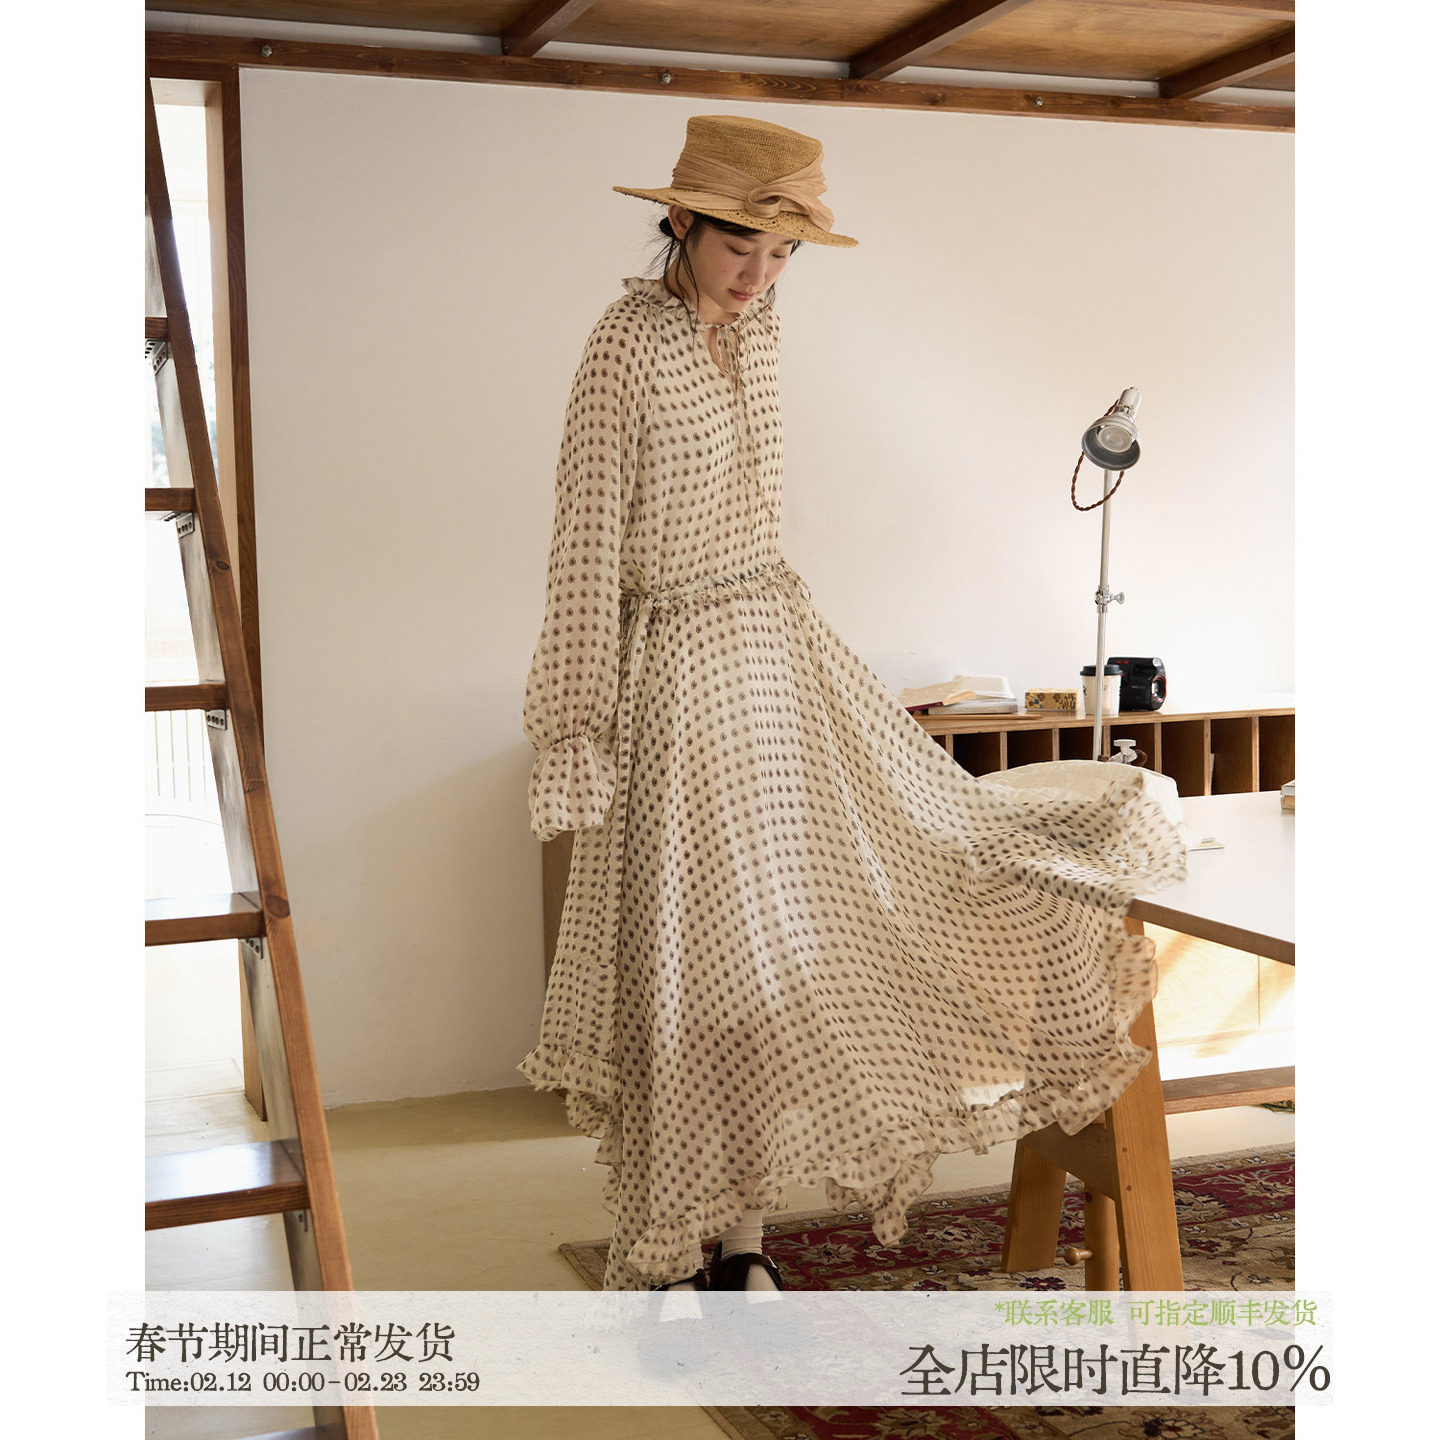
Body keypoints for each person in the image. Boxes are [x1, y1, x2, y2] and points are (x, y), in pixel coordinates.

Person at [516, 114, 1186, 1294]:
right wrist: (577, 724)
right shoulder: (623, 345)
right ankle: (674, 1237)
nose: (761, 274)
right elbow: (583, 541)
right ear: (679, 220)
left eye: (783, 253)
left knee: (781, 965)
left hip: (775, 663)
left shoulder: (764, 330)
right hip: (675, 682)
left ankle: (742, 1243)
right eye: (741, 246)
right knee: (689, 974)